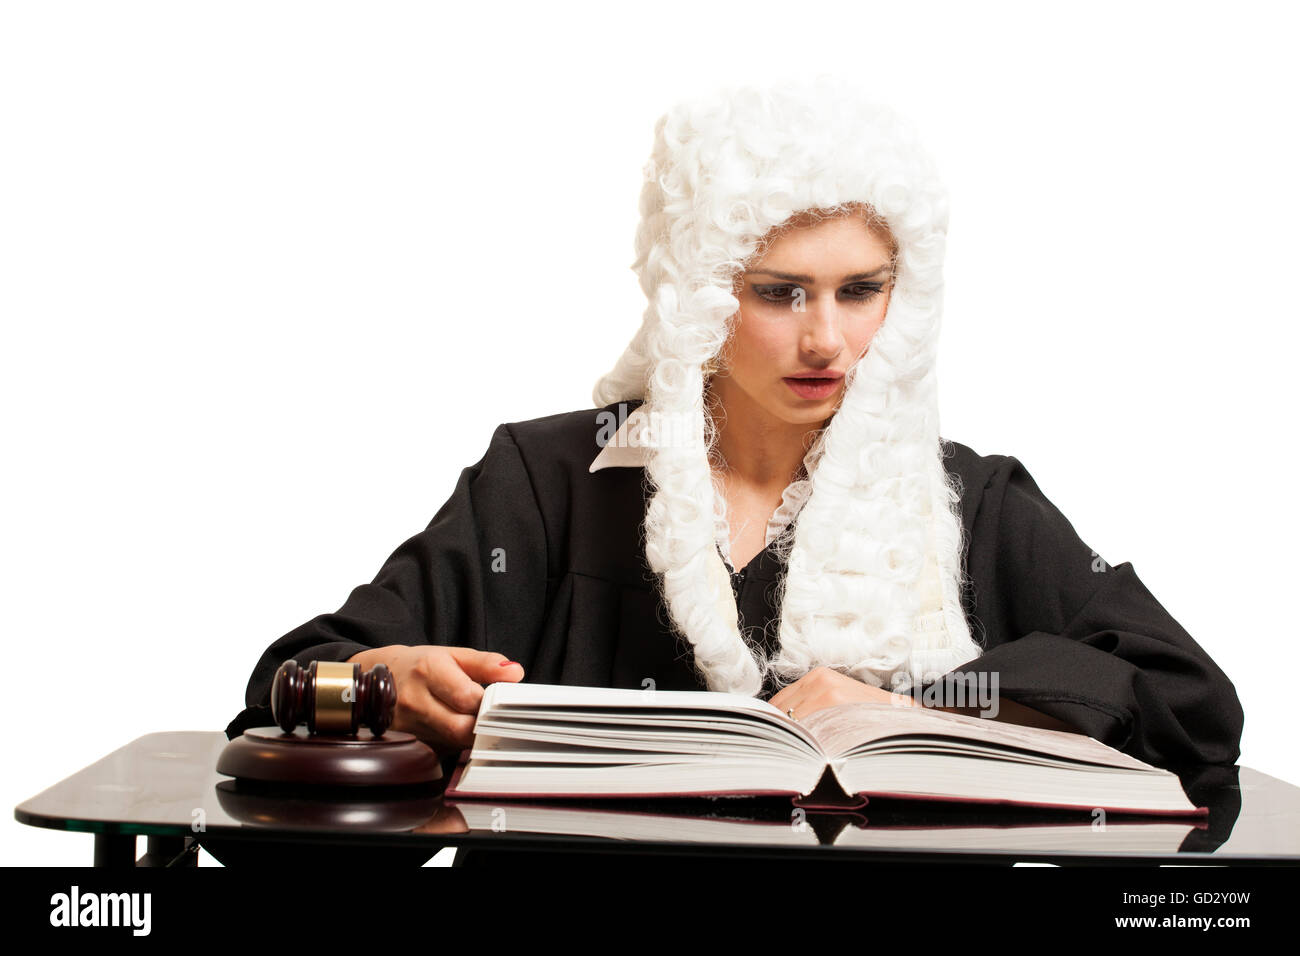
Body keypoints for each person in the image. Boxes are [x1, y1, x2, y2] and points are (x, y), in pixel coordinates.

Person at [226, 75, 1243, 800]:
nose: (826, 338)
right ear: (697, 292)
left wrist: (924, 706)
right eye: (778, 292)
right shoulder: (547, 484)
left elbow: (1186, 699)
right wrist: (384, 682)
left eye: (861, 291)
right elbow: (291, 679)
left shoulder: (972, 506)